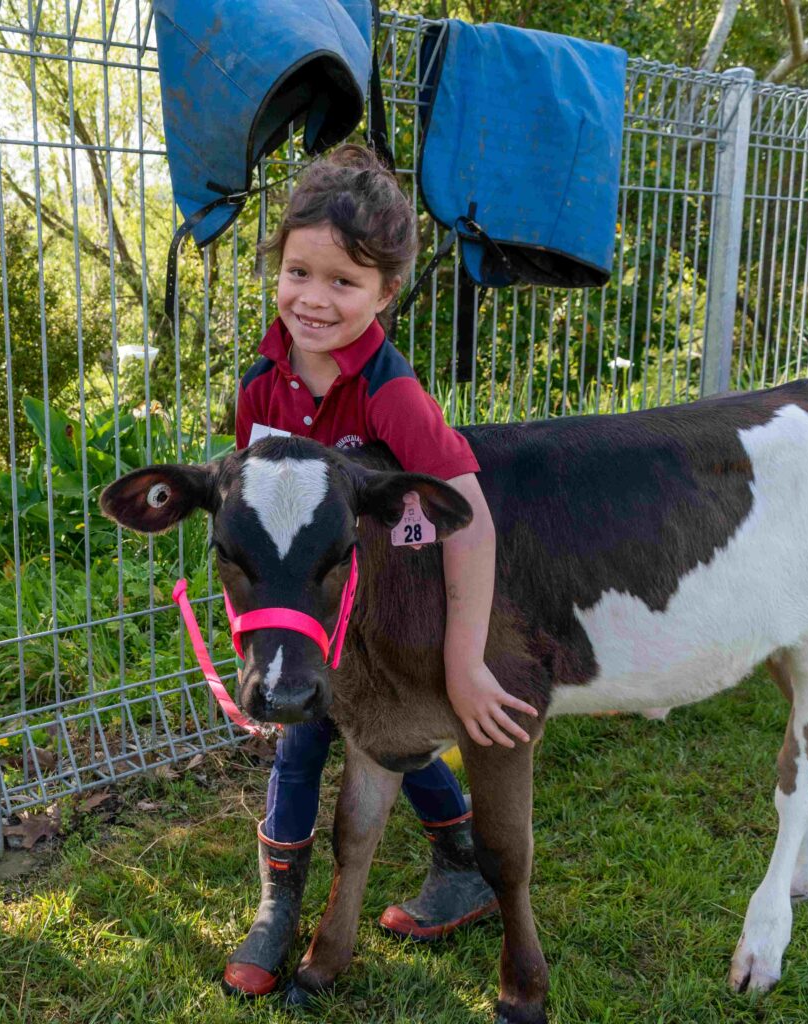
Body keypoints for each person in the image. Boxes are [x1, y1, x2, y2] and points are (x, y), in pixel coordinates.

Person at [221, 144, 540, 997]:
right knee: (302, 749)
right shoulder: (260, 389)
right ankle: (278, 906)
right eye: (299, 272)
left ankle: (460, 857)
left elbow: (465, 519)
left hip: (393, 622)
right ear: (277, 267)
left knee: (387, 736)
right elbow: (260, 521)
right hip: (308, 630)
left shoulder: (394, 397)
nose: (314, 300)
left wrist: (466, 663)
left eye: (344, 282)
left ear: (386, 295)